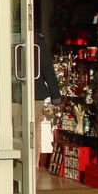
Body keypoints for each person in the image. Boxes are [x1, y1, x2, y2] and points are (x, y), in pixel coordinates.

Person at [34, 31, 63, 165]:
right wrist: (56, 98)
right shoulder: (38, 40)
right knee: (32, 131)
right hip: (36, 93)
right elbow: (48, 70)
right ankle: (32, 165)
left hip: (13, 93)